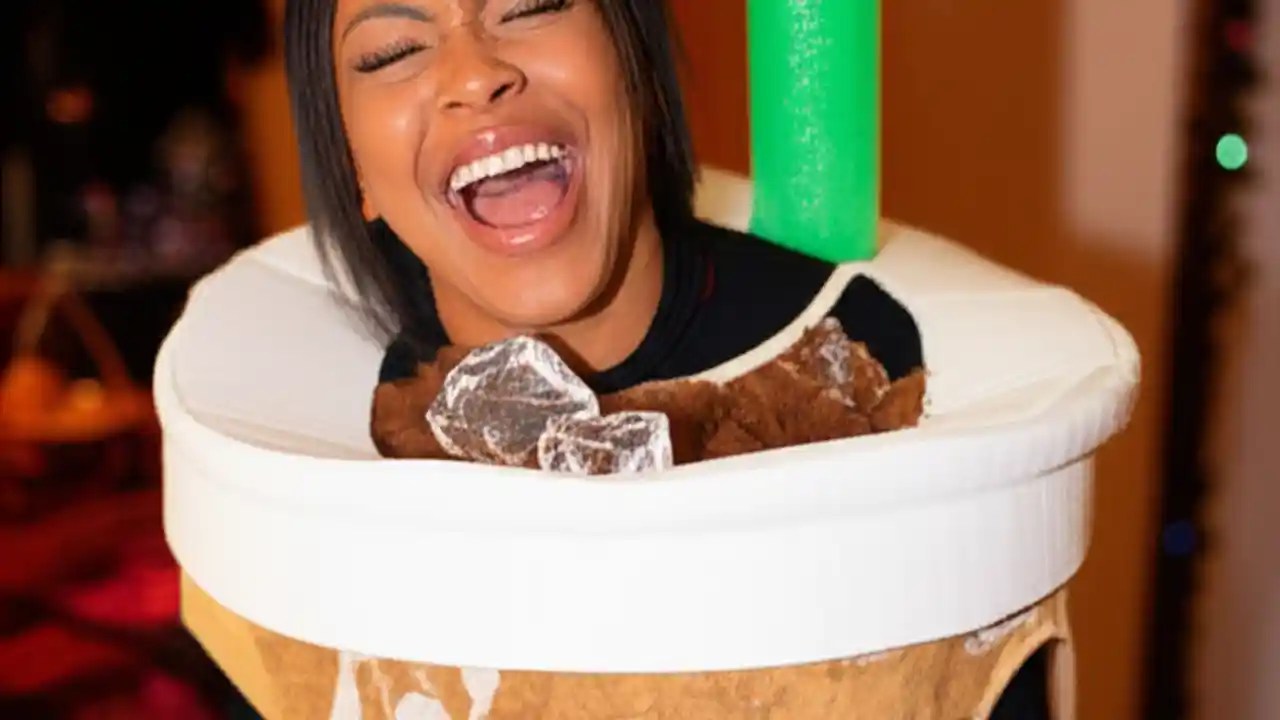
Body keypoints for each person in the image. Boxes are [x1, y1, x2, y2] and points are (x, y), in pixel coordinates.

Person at [271, 0, 1048, 717]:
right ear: (352, 163)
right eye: (394, 51)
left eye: (532, 4)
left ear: (632, 50)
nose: (475, 76)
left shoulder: (882, 372)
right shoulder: (296, 481)